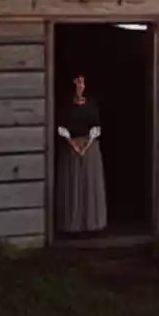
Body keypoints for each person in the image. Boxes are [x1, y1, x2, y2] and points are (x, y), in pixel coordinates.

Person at [55, 73, 107, 234]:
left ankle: (92, 224)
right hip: (71, 147)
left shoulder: (92, 104)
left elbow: (96, 126)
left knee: (90, 185)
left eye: (82, 83)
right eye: (77, 82)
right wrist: (73, 145)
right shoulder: (66, 105)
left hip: (89, 148)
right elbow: (62, 127)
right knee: (73, 185)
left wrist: (86, 145)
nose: (80, 86)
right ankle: (72, 225)